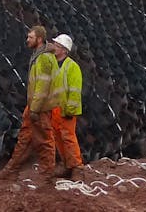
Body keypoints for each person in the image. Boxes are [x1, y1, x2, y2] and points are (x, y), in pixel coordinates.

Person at [0, 25, 59, 183]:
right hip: (34, 106)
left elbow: (43, 86)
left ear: (39, 39)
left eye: (30, 37)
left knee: (44, 139)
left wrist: (35, 109)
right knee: (25, 138)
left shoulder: (44, 58)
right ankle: (11, 170)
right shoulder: (38, 56)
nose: (27, 40)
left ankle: (47, 174)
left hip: (40, 107)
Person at [47, 33, 85, 180]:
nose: (54, 48)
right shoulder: (53, 64)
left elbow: (75, 91)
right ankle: (67, 165)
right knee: (58, 138)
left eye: (57, 46)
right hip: (54, 109)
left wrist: (70, 109)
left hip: (66, 110)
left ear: (64, 50)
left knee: (68, 137)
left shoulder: (72, 67)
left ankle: (77, 167)